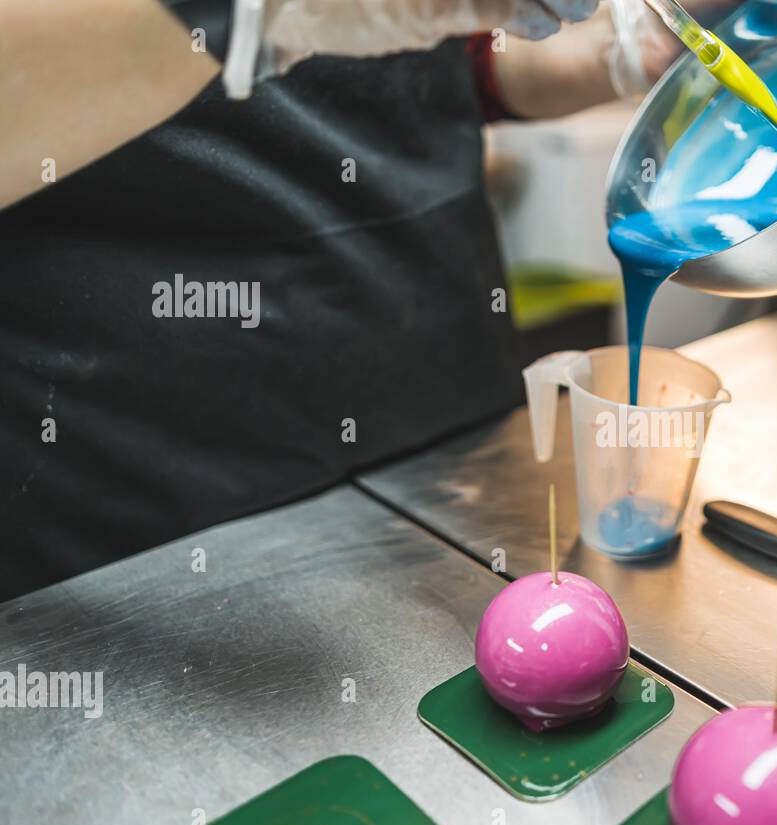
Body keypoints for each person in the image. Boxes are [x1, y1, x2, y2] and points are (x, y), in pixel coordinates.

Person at [0, 0, 688, 601]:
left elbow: (421, 68)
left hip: (453, 428)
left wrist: (621, 42)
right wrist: (261, 11)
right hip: (153, 502)